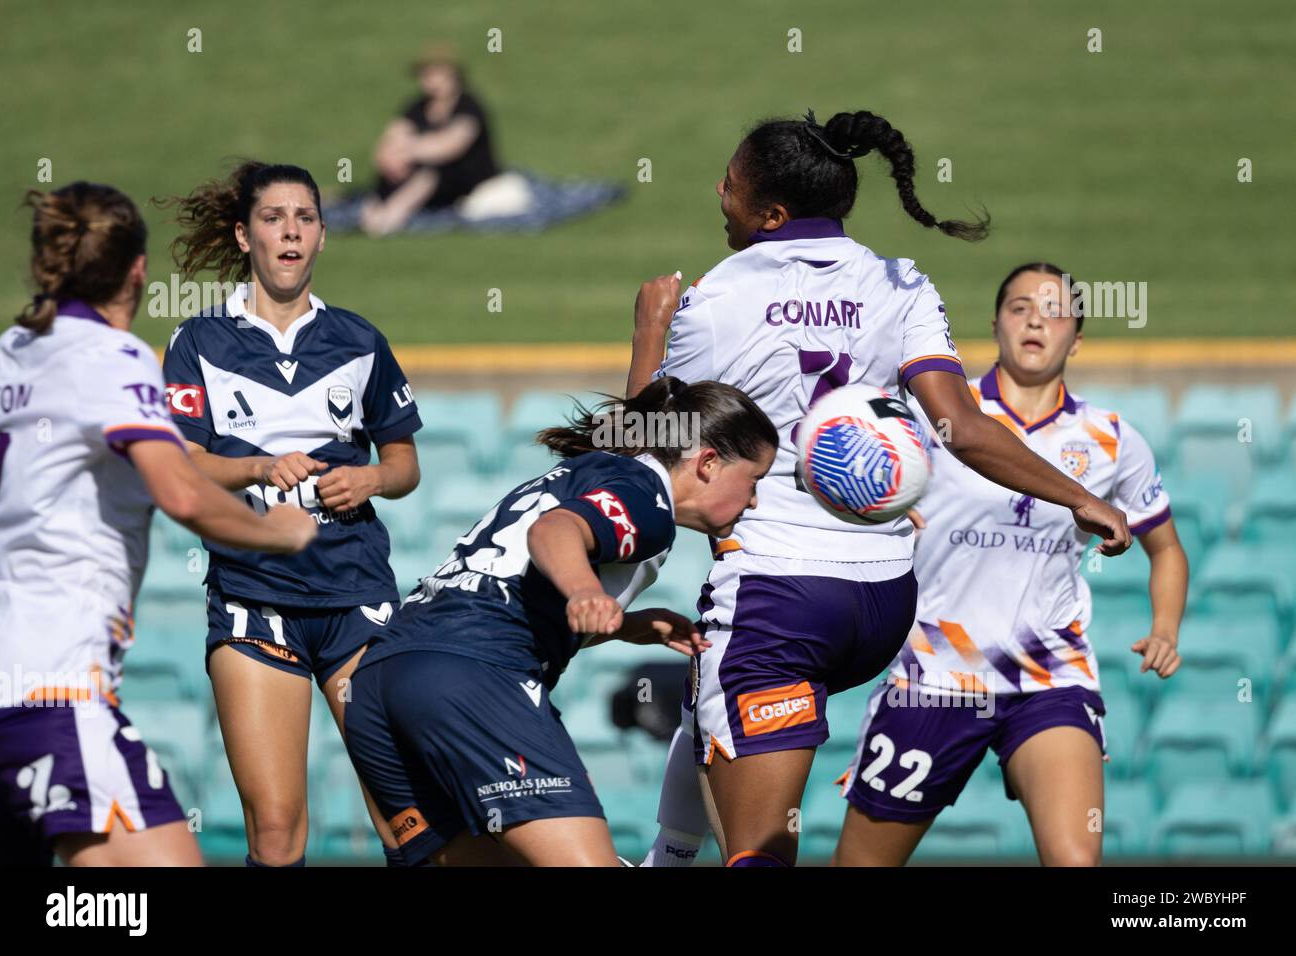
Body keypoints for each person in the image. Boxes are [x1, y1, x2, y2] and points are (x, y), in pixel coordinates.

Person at [627, 109, 1131, 867]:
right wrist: (1082, 499)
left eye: (728, 185)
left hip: (780, 599)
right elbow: (960, 426)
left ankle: (673, 852)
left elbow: (646, 449)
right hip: (883, 604)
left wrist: (647, 337)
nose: (718, 194)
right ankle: (670, 852)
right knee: (712, 713)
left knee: (757, 845)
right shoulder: (899, 282)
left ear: (770, 213)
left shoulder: (719, 295)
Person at [0, 182, 316, 866]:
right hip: (52, 692)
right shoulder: (113, 359)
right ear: (139, 270)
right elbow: (185, 494)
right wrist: (280, 532)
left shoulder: (11, 351)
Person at [832, 262, 1187, 866]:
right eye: (1020, 307)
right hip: (933, 679)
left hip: (1049, 676)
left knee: (1076, 861)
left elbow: (1167, 549)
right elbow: (854, 488)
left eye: (1054, 311)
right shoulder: (936, 415)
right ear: (995, 323)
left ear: (1077, 338)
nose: (1034, 321)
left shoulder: (1111, 439)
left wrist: (1164, 630)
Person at [343, 377, 778, 866]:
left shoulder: (595, 470)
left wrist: (629, 624)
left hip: (383, 680)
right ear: (708, 462)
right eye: (754, 480)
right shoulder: (648, 502)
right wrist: (586, 591)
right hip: (474, 676)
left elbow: (512, 589)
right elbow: (555, 530)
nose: (755, 500)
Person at [158, 161, 423, 866]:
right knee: (276, 828)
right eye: (274, 218)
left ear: (322, 237)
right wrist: (255, 467)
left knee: (407, 814)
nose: (291, 232)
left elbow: (404, 465)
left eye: (305, 218)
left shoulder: (359, 340)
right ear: (245, 236)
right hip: (254, 597)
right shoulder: (198, 342)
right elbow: (180, 464)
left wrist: (369, 479)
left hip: (357, 596)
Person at [361, 47, 502, 235]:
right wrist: (389, 156)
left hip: (462, 176)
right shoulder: (417, 106)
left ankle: (392, 215)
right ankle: (371, 213)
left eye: (437, 74)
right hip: (419, 169)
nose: (430, 81)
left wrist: (406, 152)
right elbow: (394, 135)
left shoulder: (468, 106)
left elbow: (450, 145)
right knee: (391, 172)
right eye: (425, 75)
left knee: (430, 174)